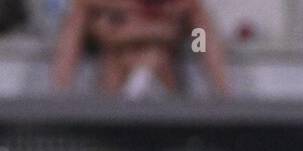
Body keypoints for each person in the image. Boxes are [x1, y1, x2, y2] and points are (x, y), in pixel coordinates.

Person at [51, 0, 229, 97]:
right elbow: (103, 30)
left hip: (161, 52)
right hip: (117, 47)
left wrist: (154, 31)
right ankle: (60, 95)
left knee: (154, 55)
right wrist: (140, 31)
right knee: (119, 55)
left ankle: (224, 96)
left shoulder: (190, 10)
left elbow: (179, 24)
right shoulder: (88, 9)